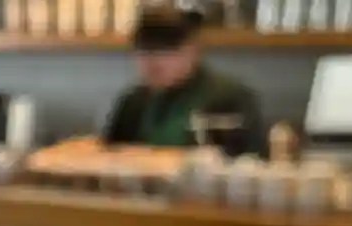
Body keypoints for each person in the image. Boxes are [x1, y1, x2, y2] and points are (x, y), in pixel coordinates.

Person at [104, 5, 264, 156]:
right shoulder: (132, 102)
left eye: (166, 50)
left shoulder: (229, 97)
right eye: (144, 50)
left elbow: (250, 162)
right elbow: (109, 155)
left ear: (193, 50)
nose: (153, 62)